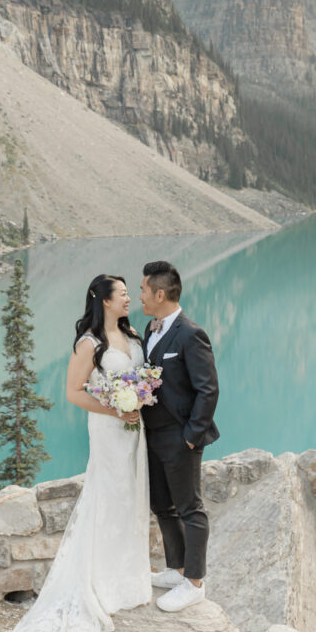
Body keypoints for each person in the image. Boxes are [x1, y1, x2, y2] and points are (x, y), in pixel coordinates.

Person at [10, 274, 151, 632]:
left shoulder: (132, 333)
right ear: (104, 300)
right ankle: (98, 583)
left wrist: (138, 399)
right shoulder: (89, 344)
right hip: (109, 430)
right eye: (122, 294)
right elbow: (73, 393)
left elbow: (141, 376)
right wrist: (117, 408)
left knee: (130, 499)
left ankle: (125, 580)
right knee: (107, 498)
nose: (128, 299)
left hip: (135, 429)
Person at [140, 259, 219, 612]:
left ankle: (195, 583)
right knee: (162, 505)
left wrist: (192, 435)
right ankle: (177, 569)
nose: (139, 296)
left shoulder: (190, 333)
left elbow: (208, 389)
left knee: (190, 508)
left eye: (143, 290)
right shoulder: (151, 329)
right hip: (152, 435)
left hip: (180, 436)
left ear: (160, 293)